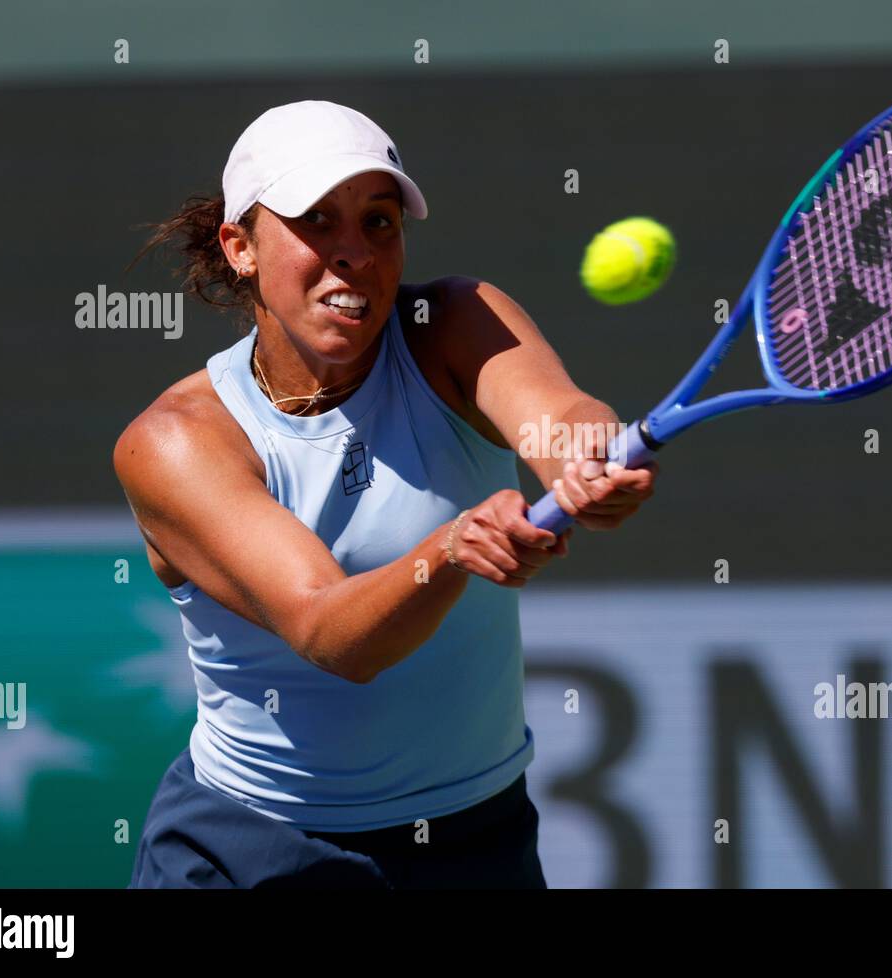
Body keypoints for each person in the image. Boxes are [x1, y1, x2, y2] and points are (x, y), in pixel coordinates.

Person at [115, 100, 658, 888]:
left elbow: (557, 417)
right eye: (316, 222)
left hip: (475, 844)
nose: (354, 255)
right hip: (252, 852)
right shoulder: (176, 441)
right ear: (240, 247)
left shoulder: (454, 325)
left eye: (378, 222)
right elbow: (334, 634)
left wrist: (584, 456)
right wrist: (449, 549)